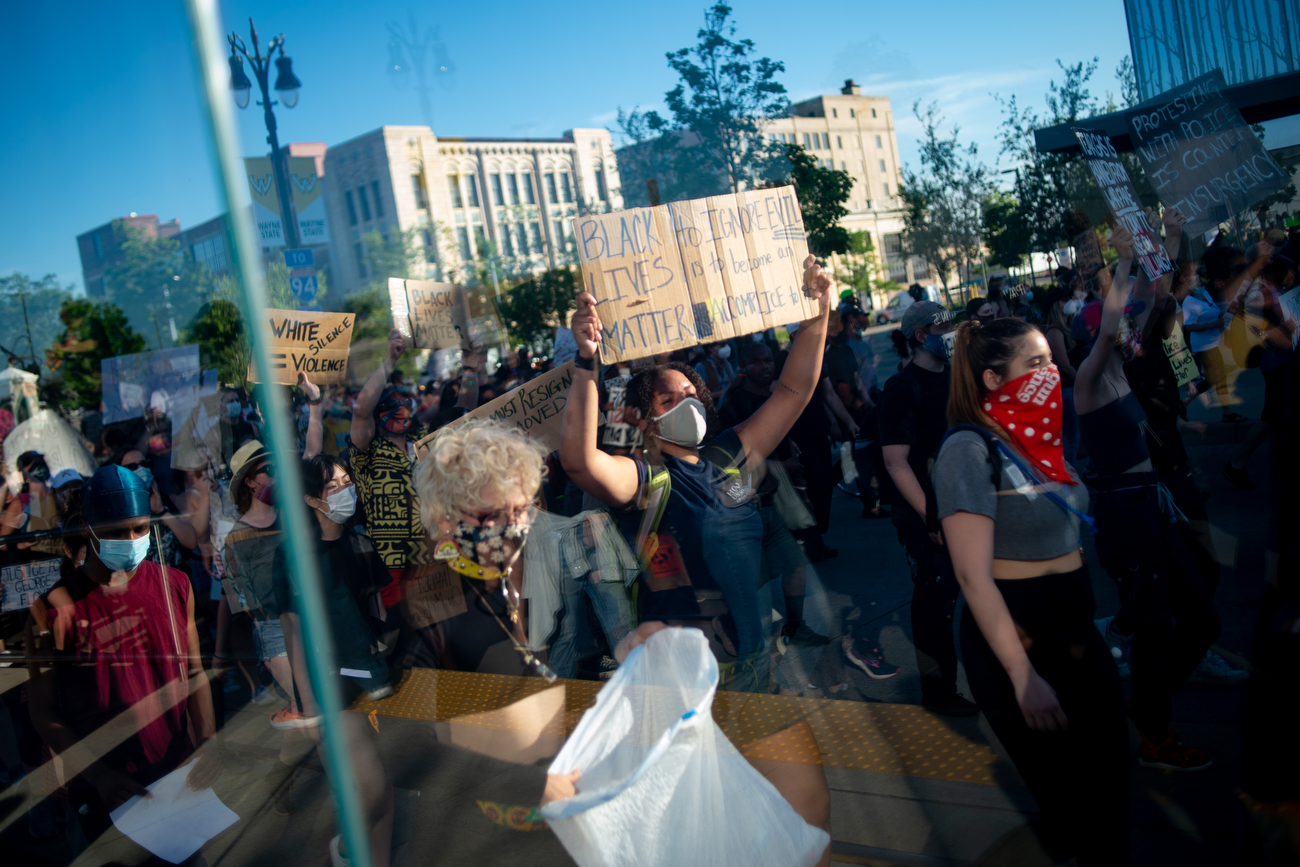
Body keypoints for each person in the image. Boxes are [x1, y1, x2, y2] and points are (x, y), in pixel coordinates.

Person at [559, 255, 834, 865]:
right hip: (687, 683)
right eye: (669, 397)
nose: (688, 402)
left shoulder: (729, 455)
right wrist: (586, 364)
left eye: (691, 392)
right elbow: (579, 462)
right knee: (706, 834)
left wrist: (817, 316)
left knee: (808, 808)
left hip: (756, 661)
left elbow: (794, 389)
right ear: (645, 417)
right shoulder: (643, 477)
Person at [937, 317, 1127, 865]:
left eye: (1050, 360)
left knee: (1111, 789)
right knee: (1077, 806)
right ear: (994, 379)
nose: (1051, 374)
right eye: (1036, 363)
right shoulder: (968, 451)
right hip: (1019, 643)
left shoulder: (1038, 436)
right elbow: (974, 578)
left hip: (1075, 630)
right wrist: (1024, 678)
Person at [1075, 217, 1220, 771]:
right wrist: (1125, 257)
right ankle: (1155, 734)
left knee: (1202, 620)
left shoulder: (1124, 374)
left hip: (1150, 500)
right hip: (1124, 510)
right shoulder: (1091, 377)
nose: (1134, 334)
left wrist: (1172, 241)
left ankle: (1145, 699)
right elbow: (1116, 317)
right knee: (1158, 625)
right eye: (1123, 331)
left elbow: (1161, 300)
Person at [26, 465, 220, 860]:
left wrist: (208, 741)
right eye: (115, 532)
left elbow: (195, 672)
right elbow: (43, 711)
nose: (131, 540)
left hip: (177, 776)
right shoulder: (51, 610)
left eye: (139, 528)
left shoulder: (175, 585)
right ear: (90, 530)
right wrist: (96, 774)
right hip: (104, 794)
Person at [274, 453, 394, 867]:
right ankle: (344, 850)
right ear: (312, 500)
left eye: (348, 481)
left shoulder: (358, 541)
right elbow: (293, 632)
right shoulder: (295, 556)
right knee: (370, 788)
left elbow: (377, 606)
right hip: (329, 685)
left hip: (371, 676)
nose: (346, 490)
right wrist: (308, 705)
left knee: (381, 795)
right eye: (333, 486)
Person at [873, 301, 976, 714]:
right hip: (927, 517)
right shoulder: (902, 388)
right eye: (946, 325)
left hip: (965, 505)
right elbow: (895, 462)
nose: (953, 331)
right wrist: (930, 517)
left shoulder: (956, 376)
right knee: (935, 603)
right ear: (922, 335)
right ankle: (940, 693)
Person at [223, 440, 307, 726]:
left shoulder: (292, 516)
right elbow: (239, 599)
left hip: (310, 619)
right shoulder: (237, 537)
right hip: (273, 628)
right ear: (249, 482)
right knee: (302, 705)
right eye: (268, 470)